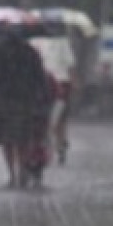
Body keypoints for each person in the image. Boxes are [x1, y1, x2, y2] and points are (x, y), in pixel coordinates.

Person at [0, 27, 54, 188]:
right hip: (25, 100)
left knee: (6, 141)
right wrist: (43, 98)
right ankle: (22, 169)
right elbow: (40, 77)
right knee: (23, 139)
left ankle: (11, 174)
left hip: (3, 99)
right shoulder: (31, 53)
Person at [30, 33, 77, 164]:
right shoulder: (34, 40)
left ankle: (60, 144)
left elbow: (70, 64)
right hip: (42, 83)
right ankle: (49, 148)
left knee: (58, 119)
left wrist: (73, 81)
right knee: (44, 119)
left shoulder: (61, 41)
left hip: (60, 83)